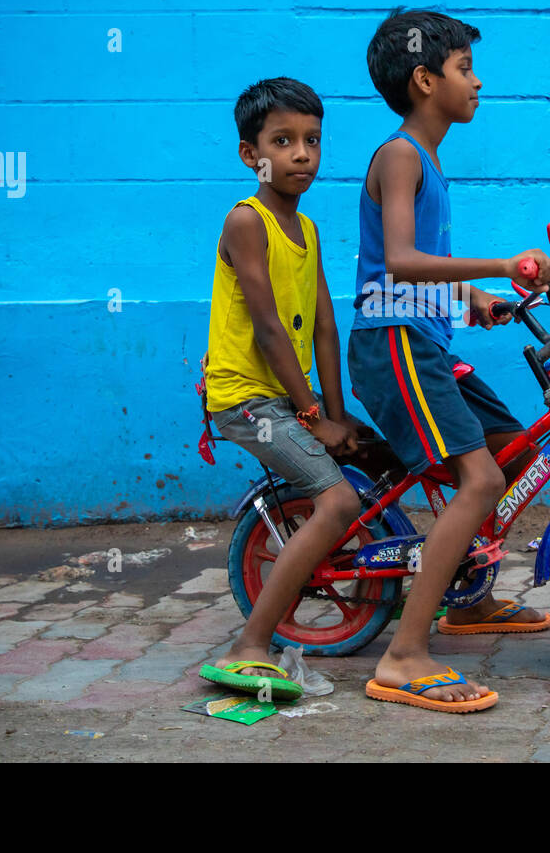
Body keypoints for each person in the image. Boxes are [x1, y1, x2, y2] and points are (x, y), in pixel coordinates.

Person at [347, 9, 550, 712]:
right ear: (424, 79)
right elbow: (403, 262)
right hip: (395, 347)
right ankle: (404, 654)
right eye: (466, 68)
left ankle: (467, 597)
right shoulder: (402, 154)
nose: (478, 81)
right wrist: (501, 262)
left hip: (425, 342)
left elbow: (411, 267)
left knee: (514, 452)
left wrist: (479, 298)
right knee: (477, 480)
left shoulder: (427, 159)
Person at [198, 77, 370, 701]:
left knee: (372, 456)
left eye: (313, 141)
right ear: (251, 154)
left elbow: (324, 322)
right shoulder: (248, 221)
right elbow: (270, 328)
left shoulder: (310, 229)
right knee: (340, 503)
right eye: (284, 141)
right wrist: (308, 412)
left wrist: (336, 415)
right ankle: (249, 645)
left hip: (286, 397)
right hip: (247, 398)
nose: (302, 154)